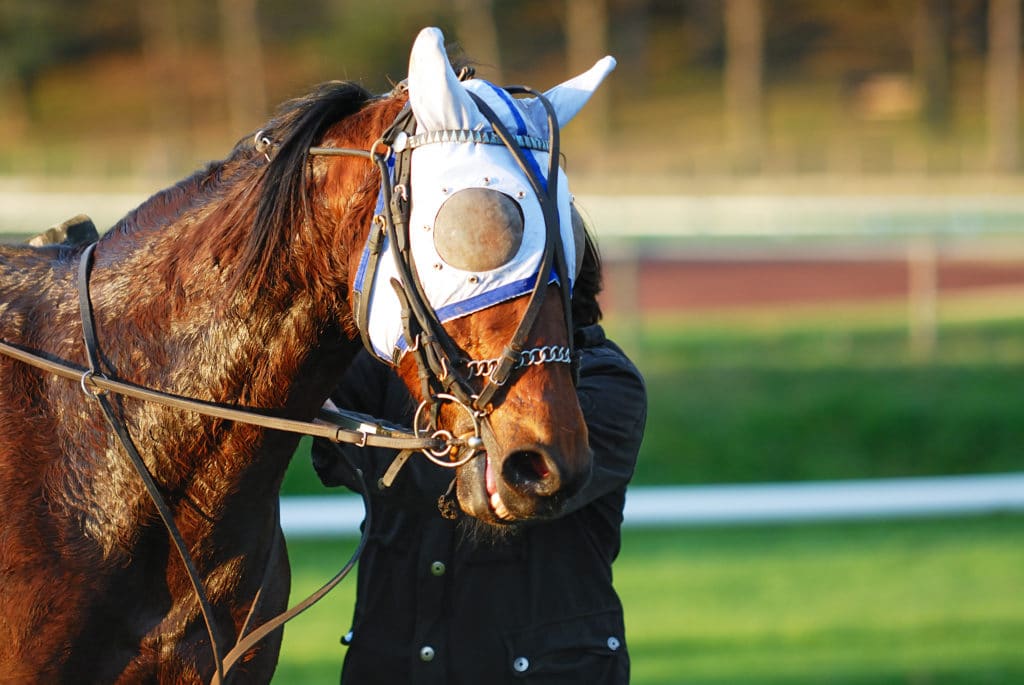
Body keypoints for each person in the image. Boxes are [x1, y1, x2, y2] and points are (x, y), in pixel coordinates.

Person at [311, 230, 647, 684]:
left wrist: (343, 433)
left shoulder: (607, 383)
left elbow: (495, 486)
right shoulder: (399, 368)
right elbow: (310, 413)